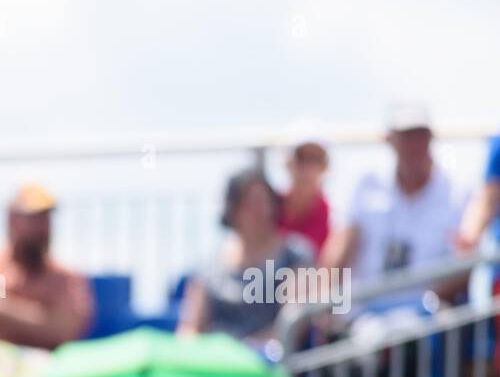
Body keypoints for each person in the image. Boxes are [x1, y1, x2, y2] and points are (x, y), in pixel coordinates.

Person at [321, 104, 467, 308]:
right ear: (390, 140)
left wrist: (430, 303)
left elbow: (466, 260)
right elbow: (341, 246)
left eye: (421, 135)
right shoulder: (365, 184)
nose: (415, 144)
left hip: (428, 323)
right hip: (363, 319)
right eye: (407, 136)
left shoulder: (458, 193)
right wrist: (326, 305)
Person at [0, 184, 95, 348]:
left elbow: (64, 330)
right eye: (33, 218)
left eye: (45, 218)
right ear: (12, 220)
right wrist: (41, 316)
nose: (42, 227)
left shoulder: (67, 279)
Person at [177, 168, 313, 346]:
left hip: (267, 363)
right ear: (233, 208)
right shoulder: (211, 267)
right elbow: (190, 328)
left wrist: (248, 350)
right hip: (215, 362)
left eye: (264, 202)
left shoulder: (295, 256)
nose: (259, 211)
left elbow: (293, 322)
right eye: (250, 203)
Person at [278, 141, 331, 257]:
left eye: (315, 159)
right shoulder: (267, 207)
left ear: (325, 167)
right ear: (288, 163)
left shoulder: (335, 215)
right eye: (301, 158)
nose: (308, 168)